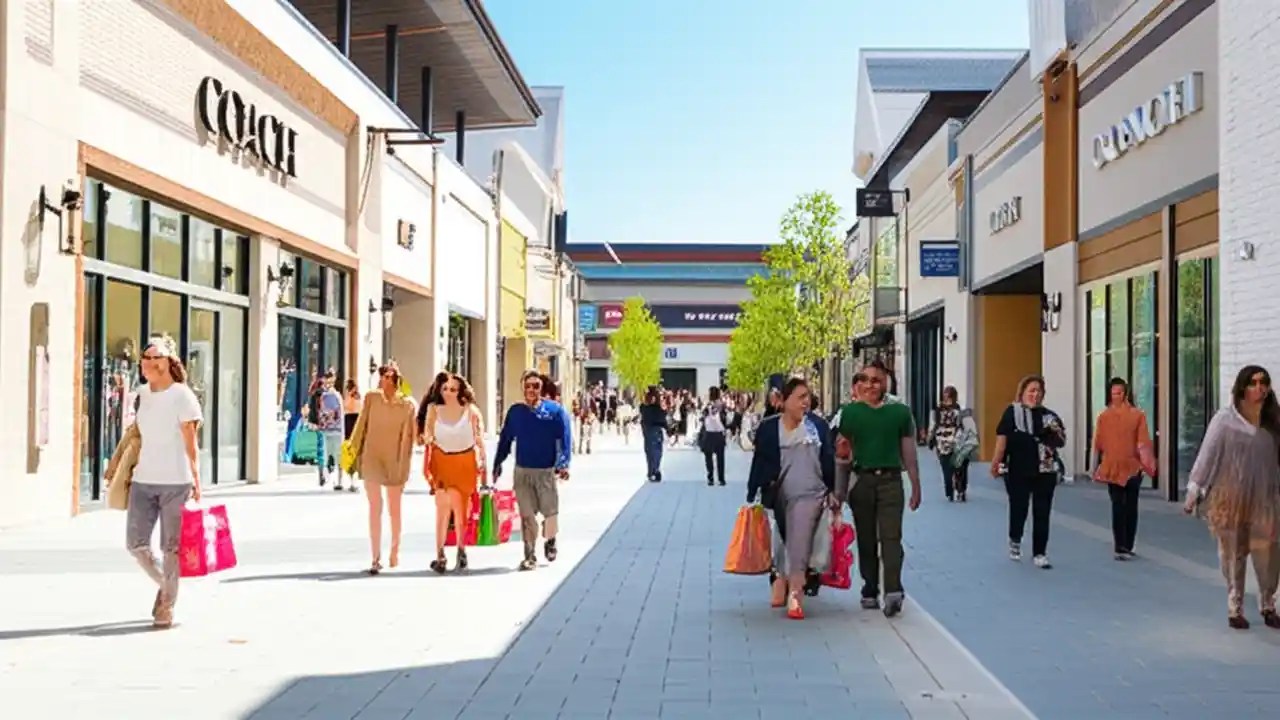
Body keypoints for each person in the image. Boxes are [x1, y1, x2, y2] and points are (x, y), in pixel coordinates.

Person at [108, 335, 202, 629]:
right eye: (145, 358)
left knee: (170, 548)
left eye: (155, 357)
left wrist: (196, 478)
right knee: (135, 545)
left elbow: (191, 442)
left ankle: (166, 607)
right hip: (143, 480)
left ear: (169, 361)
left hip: (176, 481)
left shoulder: (182, 395)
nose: (148, 362)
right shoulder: (142, 393)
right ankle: (169, 586)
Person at [1184, 365, 1280, 629]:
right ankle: (1234, 606)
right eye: (1253, 383)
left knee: (1269, 553)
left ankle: (1268, 603)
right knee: (1234, 553)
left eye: (1264, 383)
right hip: (1232, 499)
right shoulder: (1225, 420)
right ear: (1242, 387)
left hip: (1265, 499)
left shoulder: (1273, 422)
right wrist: (1194, 491)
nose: (1259, 389)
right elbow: (1208, 455)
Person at [834, 361, 921, 617]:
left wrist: (915, 485)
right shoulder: (850, 414)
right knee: (867, 537)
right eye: (866, 379)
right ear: (859, 383)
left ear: (886, 382)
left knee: (891, 536)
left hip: (891, 481)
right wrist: (839, 494)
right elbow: (843, 456)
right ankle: (870, 589)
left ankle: (893, 590)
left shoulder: (901, 413)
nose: (871, 385)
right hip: (862, 481)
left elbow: (909, 453)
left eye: (877, 380)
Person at [746, 377, 836, 620]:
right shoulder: (768, 428)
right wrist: (753, 490)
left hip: (812, 493)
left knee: (799, 540)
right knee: (783, 538)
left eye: (807, 397)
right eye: (800, 397)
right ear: (784, 401)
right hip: (780, 494)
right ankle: (780, 579)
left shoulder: (817, 426)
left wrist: (834, 491)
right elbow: (760, 461)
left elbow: (828, 458)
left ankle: (796, 591)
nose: (805, 402)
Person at [493, 370, 573, 571]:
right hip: (523, 472)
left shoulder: (555, 412)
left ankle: (551, 539)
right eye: (527, 386)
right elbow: (505, 440)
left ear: (541, 389)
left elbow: (565, 440)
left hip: (546, 472)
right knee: (527, 515)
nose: (531, 390)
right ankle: (529, 554)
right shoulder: (516, 413)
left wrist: (563, 464)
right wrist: (498, 463)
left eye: (535, 386)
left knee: (550, 512)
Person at [990, 375, 1065, 570]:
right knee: (1019, 507)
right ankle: (1015, 539)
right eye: (1031, 390)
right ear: (1022, 392)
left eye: (1039, 391)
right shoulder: (1012, 413)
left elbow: (1061, 440)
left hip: (1045, 469)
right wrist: (996, 462)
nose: (1035, 394)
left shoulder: (1049, 416)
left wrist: (1051, 434)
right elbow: (1002, 439)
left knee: (1042, 511)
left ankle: (1040, 552)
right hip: (1018, 468)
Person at [348, 362, 417, 574]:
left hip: (395, 459)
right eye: (383, 376)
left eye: (390, 377)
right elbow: (361, 425)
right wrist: (352, 452)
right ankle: (375, 557)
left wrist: (406, 464)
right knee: (374, 506)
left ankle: (395, 551)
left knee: (394, 509)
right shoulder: (371, 398)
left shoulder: (407, 405)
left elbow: (411, 437)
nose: (385, 380)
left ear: (397, 379)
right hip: (372, 456)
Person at [420, 372, 487, 574]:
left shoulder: (471, 411)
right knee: (442, 508)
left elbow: (479, 438)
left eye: (453, 389)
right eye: (445, 389)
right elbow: (427, 434)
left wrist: (484, 463)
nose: (449, 393)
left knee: (460, 510)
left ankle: (461, 549)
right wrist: (429, 439)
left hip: (465, 462)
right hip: (441, 461)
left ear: (461, 391)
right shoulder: (433, 410)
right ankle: (440, 554)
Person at [1091, 377, 1152, 560]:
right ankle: (1122, 545)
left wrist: (1146, 465)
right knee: (1120, 506)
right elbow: (1098, 443)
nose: (1116, 396)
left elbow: (1143, 442)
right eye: (1114, 392)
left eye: (1119, 392)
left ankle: (1125, 545)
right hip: (1114, 467)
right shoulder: (1105, 417)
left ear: (1125, 394)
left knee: (1127, 506)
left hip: (1130, 466)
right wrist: (1093, 466)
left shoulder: (1136, 415)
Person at [927, 386, 978, 503]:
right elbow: (933, 424)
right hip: (942, 443)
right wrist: (930, 438)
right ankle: (950, 491)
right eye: (945, 396)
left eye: (949, 396)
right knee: (947, 469)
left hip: (957, 442)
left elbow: (966, 425)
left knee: (960, 467)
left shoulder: (959, 410)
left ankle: (960, 490)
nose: (947, 399)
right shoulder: (937, 410)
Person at [314, 371, 347, 491]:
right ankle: (335, 480)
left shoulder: (334, 396)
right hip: (331, 430)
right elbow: (324, 413)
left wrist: (326, 420)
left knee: (335, 456)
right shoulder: (325, 396)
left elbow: (337, 414)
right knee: (332, 456)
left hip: (334, 430)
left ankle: (338, 480)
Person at [701, 386, 729, 486]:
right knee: (720, 457)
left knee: (708, 457)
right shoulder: (721, 405)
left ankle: (710, 478)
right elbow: (725, 419)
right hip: (719, 433)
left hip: (709, 433)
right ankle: (721, 479)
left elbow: (702, 416)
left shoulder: (707, 405)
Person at [639, 386, 667, 482]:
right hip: (656, 431)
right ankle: (655, 470)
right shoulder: (658, 409)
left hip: (648, 432)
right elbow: (663, 419)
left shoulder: (644, 408)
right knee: (657, 452)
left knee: (650, 452)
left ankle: (652, 471)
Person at [341, 379, 363, 492]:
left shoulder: (351, 398)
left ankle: (352, 479)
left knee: (351, 453)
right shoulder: (356, 397)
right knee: (353, 453)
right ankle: (353, 479)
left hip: (350, 422)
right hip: (353, 422)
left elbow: (346, 408)